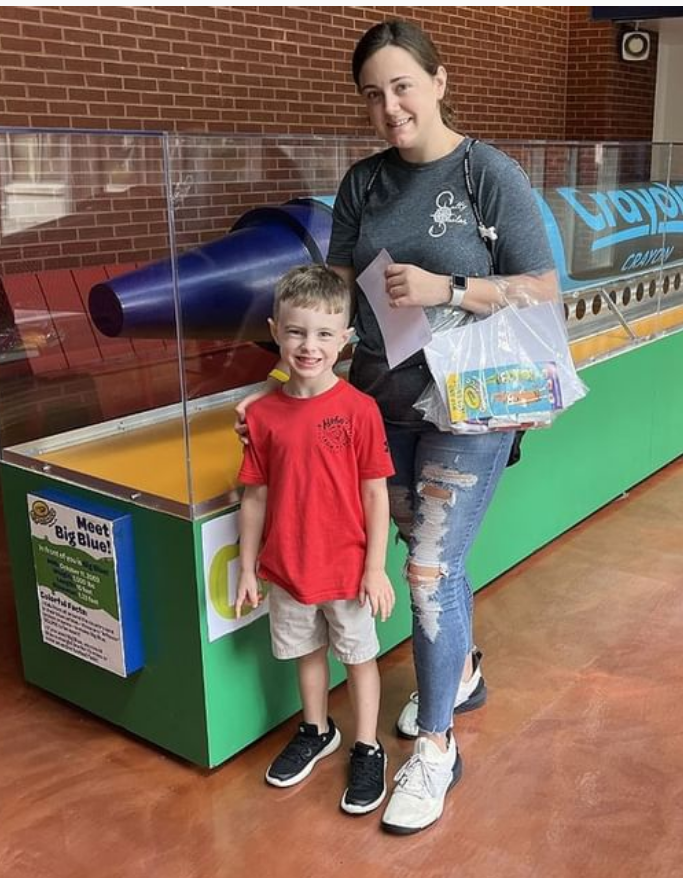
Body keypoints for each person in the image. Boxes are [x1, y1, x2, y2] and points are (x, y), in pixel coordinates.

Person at [237, 19, 558, 835]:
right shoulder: (363, 183)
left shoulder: (488, 173)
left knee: (424, 571)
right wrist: (284, 379)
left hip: (467, 407)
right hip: (382, 406)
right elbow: (334, 299)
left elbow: (543, 287)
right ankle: (463, 672)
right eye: (373, 95)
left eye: (402, 86)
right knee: (432, 566)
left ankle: (437, 748)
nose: (389, 107)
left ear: (439, 81)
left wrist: (450, 285)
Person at [234, 264, 396, 816]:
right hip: (288, 568)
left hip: (346, 570)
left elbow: (376, 495)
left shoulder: (359, 410)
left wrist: (374, 568)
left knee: (357, 657)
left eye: (325, 334)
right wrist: (247, 566)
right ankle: (315, 729)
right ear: (275, 329)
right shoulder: (261, 416)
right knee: (306, 652)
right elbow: (253, 495)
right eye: (298, 331)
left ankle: (367, 744)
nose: (310, 345)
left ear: (345, 340)